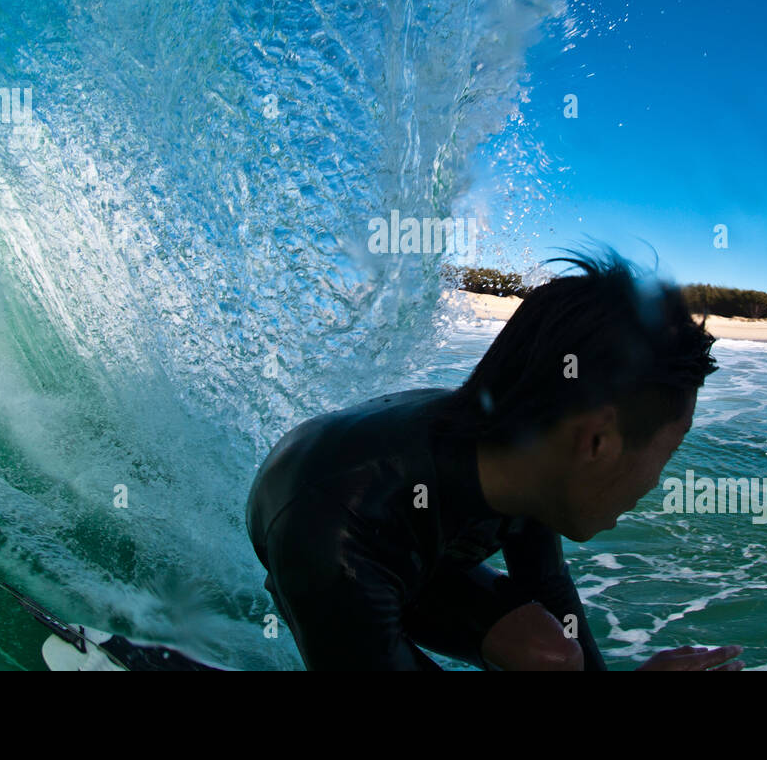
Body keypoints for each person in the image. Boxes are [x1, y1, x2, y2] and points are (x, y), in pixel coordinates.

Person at [245, 245, 740, 671]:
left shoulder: (535, 453)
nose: (656, 483)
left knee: (552, 655)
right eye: (669, 451)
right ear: (597, 441)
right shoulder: (334, 534)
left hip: (418, 542)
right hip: (332, 535)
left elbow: (548, 587)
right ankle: (300, 604)